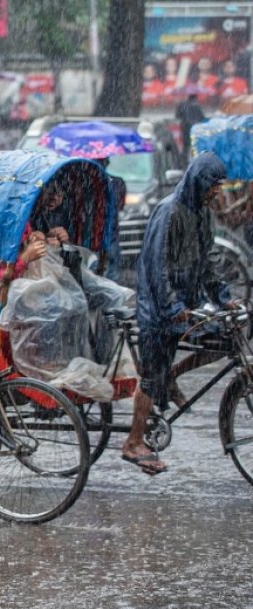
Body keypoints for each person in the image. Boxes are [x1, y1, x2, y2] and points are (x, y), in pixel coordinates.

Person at [130, 152, 239, 475]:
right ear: (199, 182)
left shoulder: (202, 214)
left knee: (224, 339)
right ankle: (133, 442)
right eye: (213, 185)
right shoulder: (169, 211)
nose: (216, 191)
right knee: (151, 377)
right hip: (158, 308)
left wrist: (223, 299)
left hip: (185, 307)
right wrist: (170, 306)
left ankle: (173, 374)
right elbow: (157, 266)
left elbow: (208, 261)